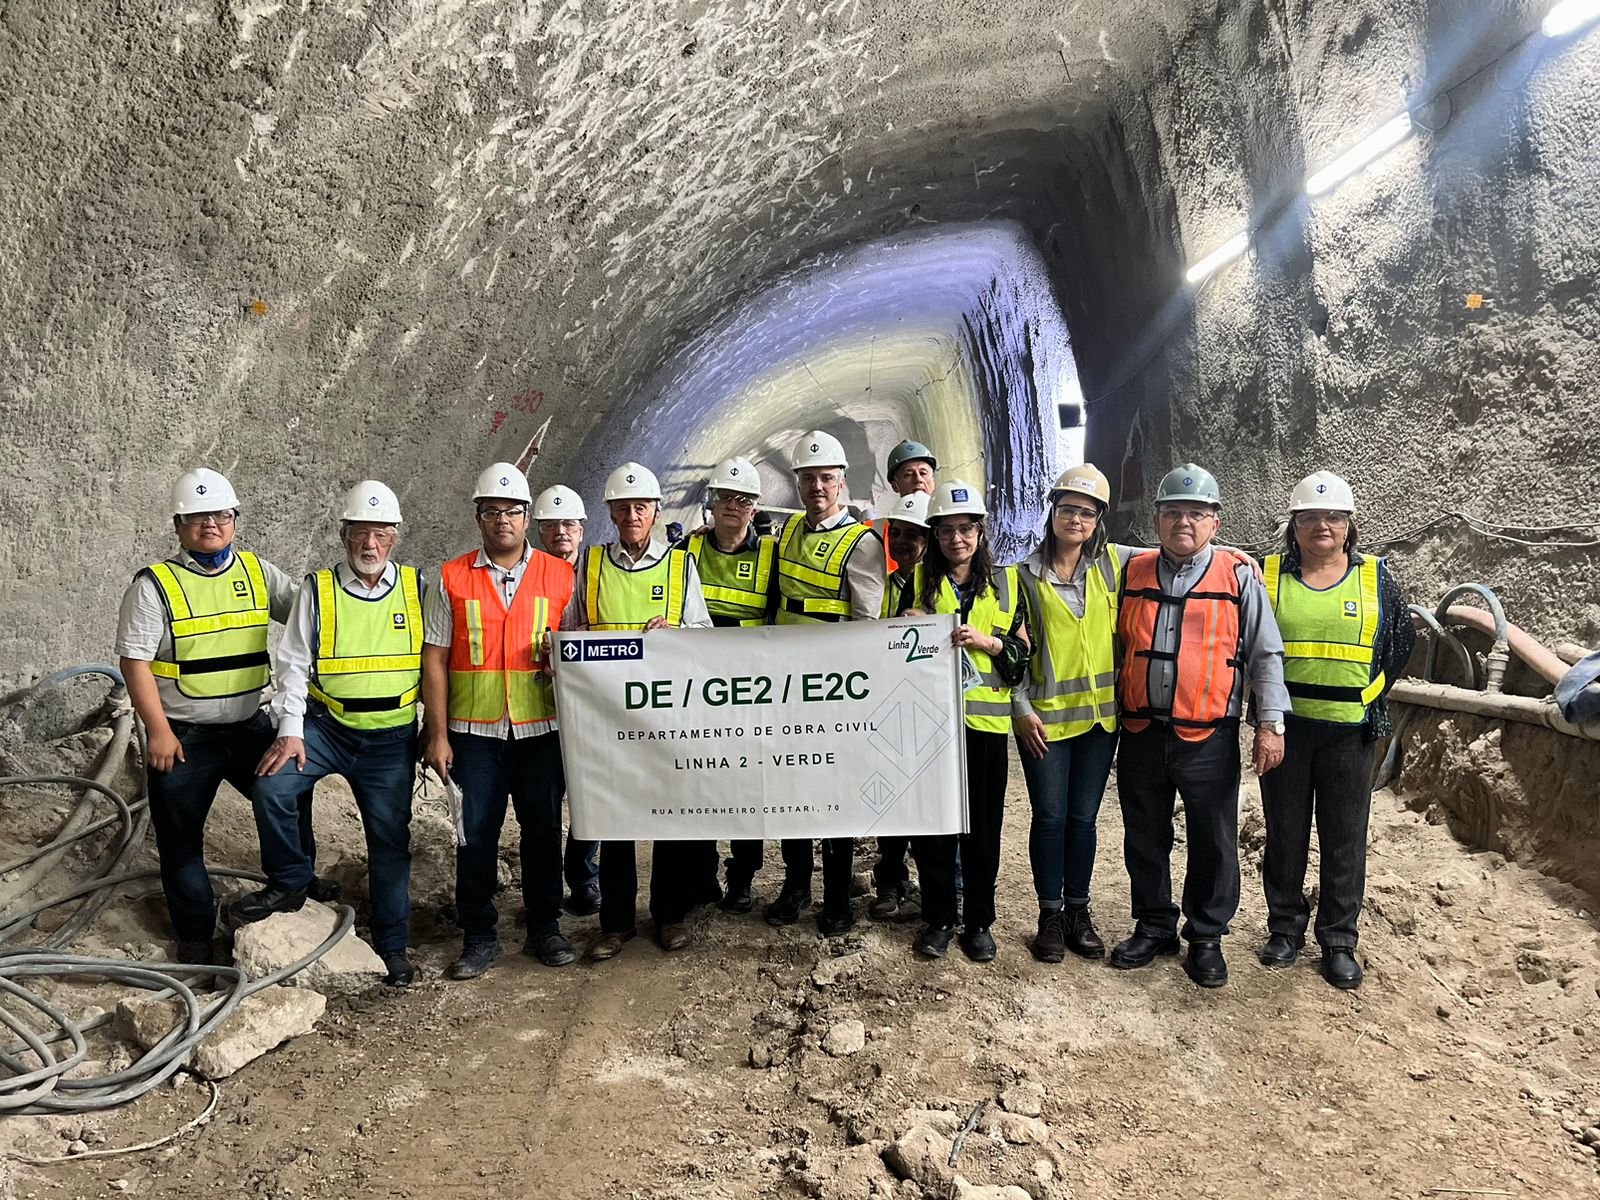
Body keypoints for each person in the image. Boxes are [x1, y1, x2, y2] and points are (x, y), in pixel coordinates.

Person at [1111, 463, 1291, 988]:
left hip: (1208, 736)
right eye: (1172, 513)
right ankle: (1154, 924)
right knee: (1145, 834)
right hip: (1142, 732)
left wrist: (1270, 723)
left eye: (1196, 513)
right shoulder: (1132, 571)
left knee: (1213, 839)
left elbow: (1265, 654)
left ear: (1215, 521)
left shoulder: (1237, 576)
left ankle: (1206, 936)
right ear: (1157, 518)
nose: (1183, 522)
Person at [236, 481, 422, 986]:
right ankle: (292, 882)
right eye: (361, 533)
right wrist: (290, 732)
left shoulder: (418, 588)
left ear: (395, 538)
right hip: (326, 726)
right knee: (272, 789)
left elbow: (440, 662)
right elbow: (293, 663)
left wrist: (437, 732)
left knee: (389, 839)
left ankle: (392, 942)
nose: (370, 545)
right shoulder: (318, 590)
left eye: (381, 534)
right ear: (343, 535)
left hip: (391, 738)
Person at [115, 468, 296, 966]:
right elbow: (134, 661)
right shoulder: (155, 587)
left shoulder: (258, 573)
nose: (209, 524)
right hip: (183, 736)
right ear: (178, 526)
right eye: (197, 517)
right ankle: (197, 940)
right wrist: (159, 731)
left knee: (287, 803)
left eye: (219, 514)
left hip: (249, 727)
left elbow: (311, 615)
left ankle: (294, 890)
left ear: (234, 520)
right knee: (181, 842)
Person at [1257, 471, 1414, 990]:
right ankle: (1284, 930)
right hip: (1286, 731)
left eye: (1333, 517)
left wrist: (1366, 700)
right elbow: (1252, 646)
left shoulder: (1376, 579)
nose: (1322, 526)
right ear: (1294, 525)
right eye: (1309, 517)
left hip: (1350, 735)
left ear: (1349, 524)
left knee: (1344, 838)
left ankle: (1339, 941)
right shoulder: (1269, 574)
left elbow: (1399, 645)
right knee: (1285, 833)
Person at [421, 462, 577, 980]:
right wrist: (437, 734)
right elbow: (435, 659)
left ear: (528, 517)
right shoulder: (451, 577)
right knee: (476, 836)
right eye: (493, 511)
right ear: (478, 518)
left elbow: (581, 647)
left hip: (541, 730)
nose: (503, 520)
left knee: (541, 832)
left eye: (512, 511)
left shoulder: (561, 575)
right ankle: (479, 935)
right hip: (474, 735)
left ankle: (544, 928)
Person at [561, 462, 714, 958]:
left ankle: (667, 916)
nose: (632, 515)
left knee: (667, 813)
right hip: (607, 714)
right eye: (623, 507)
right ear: (610, 512)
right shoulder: (590, 564)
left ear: (654, 512)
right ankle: (616, 924)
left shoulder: (678, 565)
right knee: (616, 818)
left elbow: (704, 634)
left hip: (663, 714)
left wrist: (676, 633)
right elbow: (572, 627)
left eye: (640, 507)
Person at [894, 480, 1029, 961]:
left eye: (965, 529)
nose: (957, 539)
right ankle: (938, 919)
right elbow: (892, 655)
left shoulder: (1009, 586)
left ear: (980, 532)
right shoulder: (916, 584)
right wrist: (905, 625)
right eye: (947, 530)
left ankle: (978, 922)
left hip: (985, 728)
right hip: (930, 728)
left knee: (982, 830)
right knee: (934, 828)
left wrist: (989, 643)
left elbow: (1023, 657)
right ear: (935, 536)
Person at [766, 430, 886, 936]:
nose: (817, 487)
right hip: (787, 684)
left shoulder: (862, 545)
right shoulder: (789, 532)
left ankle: (836, 896)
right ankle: (796, 885)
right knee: (791, 788)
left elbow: (867, 623)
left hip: (832, 689)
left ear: (842, 483)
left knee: (834, 794)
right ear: (797, 483)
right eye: (808, 478)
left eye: (825, 478)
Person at [1012, 465, 1122, 964]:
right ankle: (1050, 915)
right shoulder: (1020, 578)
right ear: (1052, 511)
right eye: (1068, 508)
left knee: (1083, 819)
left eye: (1087, 512)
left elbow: (1179, 553)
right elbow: (1006, 656)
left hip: (1100, 723)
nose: (1076, 519)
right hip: (1045, 723)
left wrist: (1237, 560)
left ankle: (1079, 910)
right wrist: (1020, 708)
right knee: (1051, 818)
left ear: (1098, 521)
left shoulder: (1114, 567)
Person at [678, 457, 777, 914]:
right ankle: (700, 873)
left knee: (747, 791)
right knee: (698, 785)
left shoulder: (772, 556)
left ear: (754, 509)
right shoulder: (686, 555)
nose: (733, 506)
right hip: (697, 694)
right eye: (725, 498)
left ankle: (742, 877)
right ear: (711, 505)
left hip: (750, 693)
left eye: (743, 500)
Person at [533, 483, 601, 918]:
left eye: (569, 523)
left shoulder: (597, 572)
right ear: (539, 530)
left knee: (588, 795)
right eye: (553, 524)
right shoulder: (528, 575)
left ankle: (584, 878)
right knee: (544, 797)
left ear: (582, 528)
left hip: (593, 701)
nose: (562, 531)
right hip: (538, 703)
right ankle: (545, 889)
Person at [869, 489, 932, 921]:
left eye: (914, 534)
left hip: (930, 714)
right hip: (889, 712)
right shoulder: (886, 586)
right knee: (888, 807)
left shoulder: (939, 589)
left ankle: (943, 890)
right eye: (898, 533)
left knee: (932, 810)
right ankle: (890, 884)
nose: (904, 541)